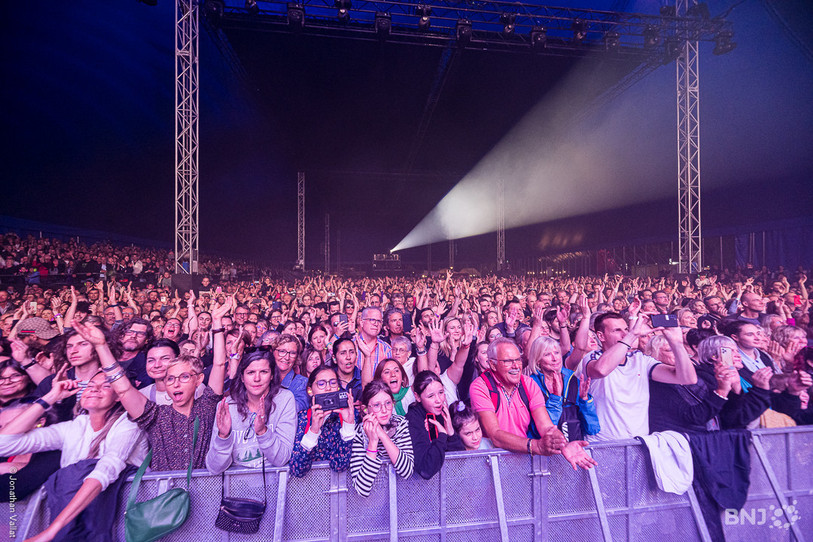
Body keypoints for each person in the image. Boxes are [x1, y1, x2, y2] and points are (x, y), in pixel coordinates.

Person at [73, 299, 228, 470]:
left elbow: (219, 364)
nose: (176, 383)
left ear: (198, 380)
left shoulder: (206, 407)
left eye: (184, 377)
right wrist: (101, 346)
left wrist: (217, 323)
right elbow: (123, 389)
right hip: (162, 491)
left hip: (203, 489)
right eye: (170, 379)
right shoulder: (155, 416)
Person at [0, 368, 147, 542]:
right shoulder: (74, 427)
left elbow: (106, 469)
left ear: (119, 396)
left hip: (123, 519)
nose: (94, 389)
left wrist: (51, 531)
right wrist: (51, 397)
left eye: (106, 386)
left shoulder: (130, 423)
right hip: (73, 521)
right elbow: (4, 444)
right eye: (91, 385)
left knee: (84, 468)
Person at [469, 337, 595, 470]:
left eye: (518, 360)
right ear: (492, 364)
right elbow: (495, 435)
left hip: (521, 460)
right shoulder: (480, 386)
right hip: (491, 464)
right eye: (508, 361)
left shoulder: (528, 384)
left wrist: (564, 444)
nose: (516, 366)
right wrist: (536, 446)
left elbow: (547, 427)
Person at [583, 308, 697, 441]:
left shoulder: (640, 359)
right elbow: (601, 370)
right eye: (617, 330)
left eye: (626, 329)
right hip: (603, 444)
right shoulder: (592, 357)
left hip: (638, 444)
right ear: (601, 336)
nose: (624, 334)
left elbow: (688, 378)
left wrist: (676, 343)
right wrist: (633, 334)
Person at [206, 350, 296, 472]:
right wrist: (223, 436)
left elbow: (281, 459)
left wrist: (262, 432)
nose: (257, 378)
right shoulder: (227, 406)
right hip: (236, 486)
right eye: (250, 372)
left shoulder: (284, 399)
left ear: (271, 375)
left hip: (275, 486)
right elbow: (214, 468)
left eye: (263, 372)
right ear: (242, 377)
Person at [524, 337, 599, 441]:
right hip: (545, 453)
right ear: (537, 360)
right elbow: (542, 432)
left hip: (575, 449)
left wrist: (585, 400)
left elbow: (592, 429)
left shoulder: (572, 380)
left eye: (557, 352)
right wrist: (555, 398)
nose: (555, 358)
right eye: (547, 354)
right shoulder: (530, 384)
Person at [289, 365, 356, 478]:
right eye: (321, 384)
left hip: (337, 489)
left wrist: (348, 425)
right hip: (308, 490)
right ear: (310, 390)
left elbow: (339, 466)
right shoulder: (302, 418)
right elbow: (297, 470)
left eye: (333, 383)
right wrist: (313, 431)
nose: (328, 388)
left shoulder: (344, 417)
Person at [350, 379, 414, 497]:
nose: (384, 410)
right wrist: (373, 442)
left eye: (388, 403)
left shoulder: (400, 424)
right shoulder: (359, 433)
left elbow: (407, 471)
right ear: (365, 409)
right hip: (370, 504)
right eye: (376, 405)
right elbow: (362, 489)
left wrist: (382, 434)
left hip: (399, 497)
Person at [406, 371, 464, 479]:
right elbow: (426, 470)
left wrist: (450, 432)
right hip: (420, 491)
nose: (438, 400)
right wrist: (442, 435)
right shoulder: (412, 420)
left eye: (441, 392)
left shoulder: (442, 415)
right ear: (417, 397)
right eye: (431, 396)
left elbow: (460, 463)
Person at [274, 333, 309, 411]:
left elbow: (295, 408)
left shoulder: (302, 382)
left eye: (292, 353)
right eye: (282, 351)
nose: (287, 357)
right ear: (273, 352)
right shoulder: (264, 378)